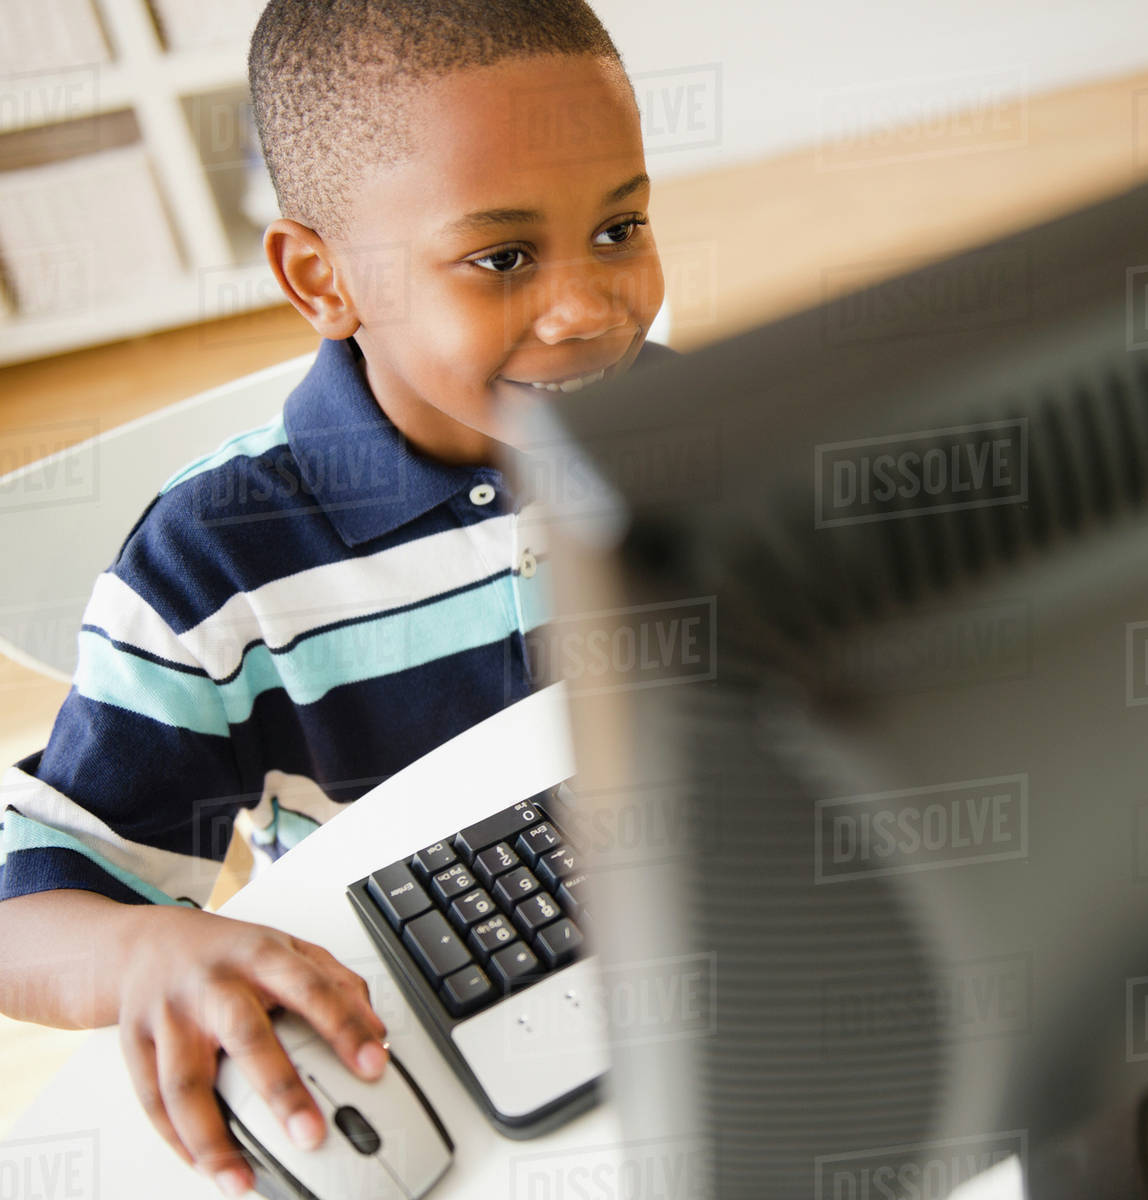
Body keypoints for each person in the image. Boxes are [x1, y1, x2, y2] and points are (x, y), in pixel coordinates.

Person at [0, 1, 668, 1194]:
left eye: (619, 228)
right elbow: (29, 897)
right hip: (416, 1009)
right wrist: (147, 946)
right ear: (321, 279)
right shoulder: (212, 563)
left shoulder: (698, 427)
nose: (586, 309)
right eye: (504, 258)